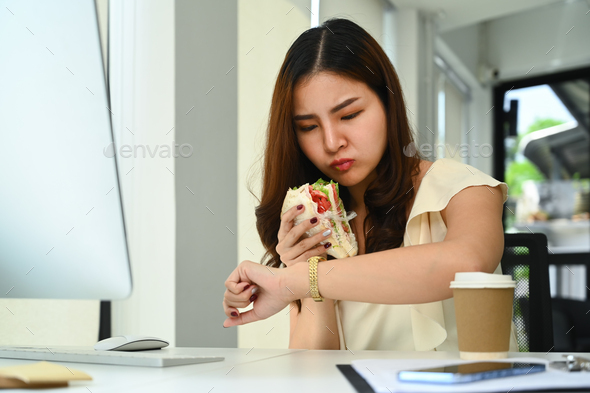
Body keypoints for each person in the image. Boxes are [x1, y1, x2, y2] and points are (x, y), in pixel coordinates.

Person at [222, 18, 518, 352]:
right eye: (308, 127)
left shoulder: (463, 187)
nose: (332, 142)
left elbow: (466, 263)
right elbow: (311, 373)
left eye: (349, 115)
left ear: (387, 103)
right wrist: (305, 270)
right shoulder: (316, 218)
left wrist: (294, 281)